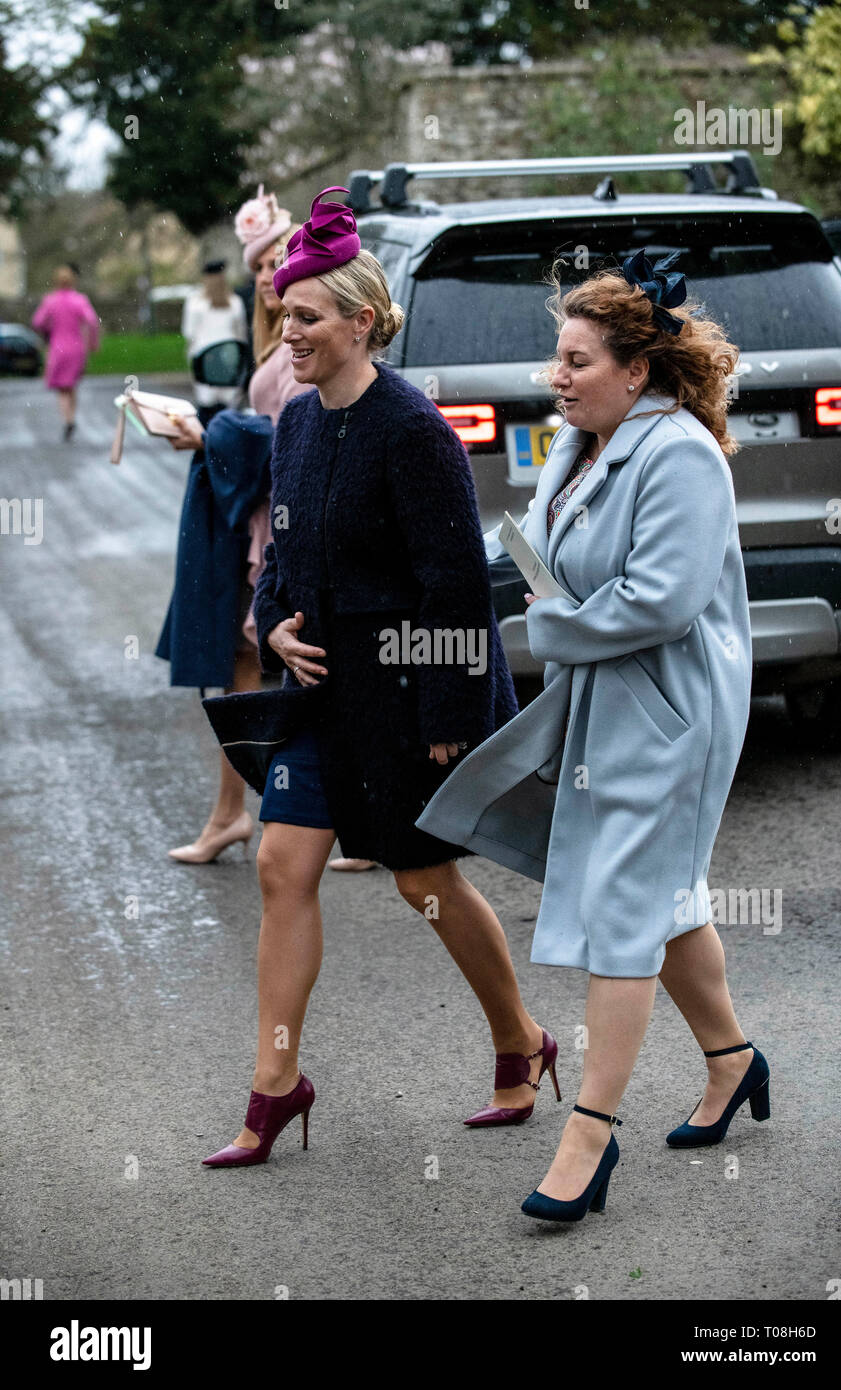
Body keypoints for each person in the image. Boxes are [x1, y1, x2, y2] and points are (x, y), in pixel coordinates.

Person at [200, 188, 559, 1167]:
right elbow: (284, 552)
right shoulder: (303, 422)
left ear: (361, 320)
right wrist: (271, 621)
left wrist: (450, 715)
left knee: (423, 882)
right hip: (318, 694)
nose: (287, 336)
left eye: (304, 319)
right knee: (282, 865)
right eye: (280, 318)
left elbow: (457, 584)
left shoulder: (413, 431)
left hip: (407, 699)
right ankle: (275, 1085)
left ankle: (519, 1038)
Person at [416, 251, 769, 1223]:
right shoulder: (579, 442)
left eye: (575, 359)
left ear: (635, 370)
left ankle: (590, 1133)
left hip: (671, 712)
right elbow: (527, 546)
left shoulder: (679, 454)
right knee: (664, 898)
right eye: (556, 357)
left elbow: (660, 600)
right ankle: (730, 1061)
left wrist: (550, 624)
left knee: (621, 912)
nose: (555, 377)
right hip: (602, 700)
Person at [158, 188, 309, 863]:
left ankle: (353, 812)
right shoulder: (277, 343)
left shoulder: (302, 347)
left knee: (298, 661)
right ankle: (230, 813)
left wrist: (210, 437)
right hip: (265, 522)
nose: (266, 275)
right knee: (244, 659)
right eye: (256, 267)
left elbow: (296, 438)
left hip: (291, 527)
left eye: (279, 259)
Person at [31, 263, 100, 441]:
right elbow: (92, 321)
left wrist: (49, 326)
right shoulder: (79, 300)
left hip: (58, 348)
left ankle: (68, 420)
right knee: (71, 385)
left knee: (62, 389)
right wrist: (93, 341)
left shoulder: (50, 300)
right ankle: (72, 417)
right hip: (77, 348)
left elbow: (37, 321)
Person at [180, 259, 248, 423]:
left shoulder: (195, 303)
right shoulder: (235, 302)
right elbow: (241, 333)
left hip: (205, 357)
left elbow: (188, 332)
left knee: (206, 408)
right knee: (228, 410)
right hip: (229, 357)